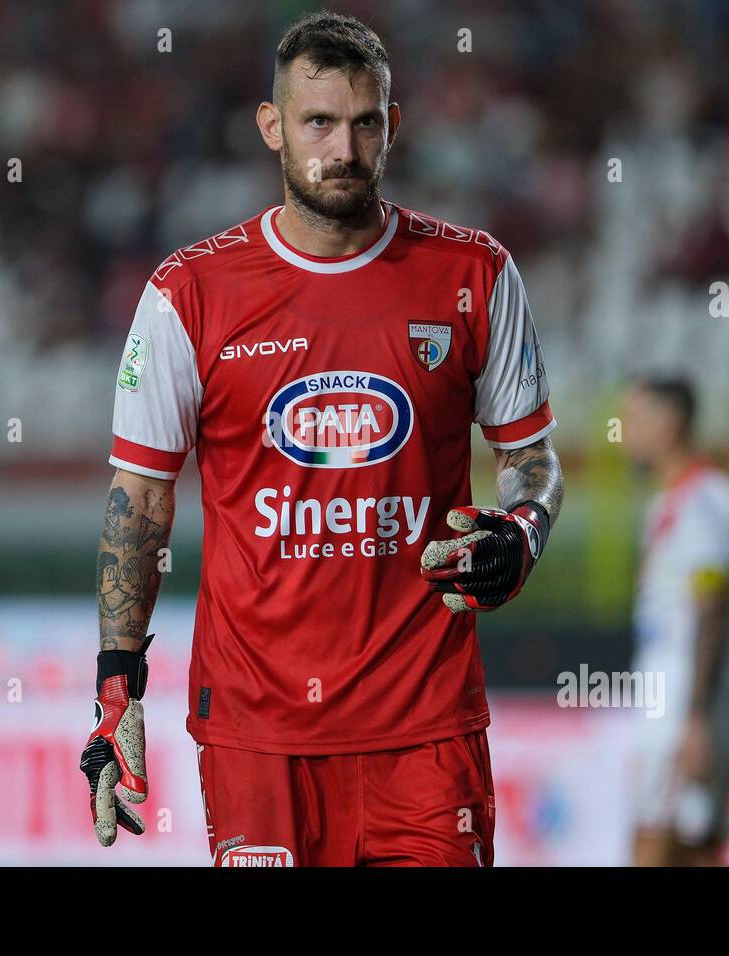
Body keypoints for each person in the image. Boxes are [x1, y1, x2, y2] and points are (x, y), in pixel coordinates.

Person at [78, 11, 564, 866]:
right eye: (318, 122)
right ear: (273, 127)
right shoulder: (188, 295)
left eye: (364, 122)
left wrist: (523, 533)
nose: (342, 148)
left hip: (425, 732)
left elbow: (532, 462)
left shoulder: (474, 275)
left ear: (392, 127)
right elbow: (140, 501)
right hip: (258, 735)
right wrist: (117, 686)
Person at [621, 377, 729, 866]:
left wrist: (696, 715)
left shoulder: (705, 501)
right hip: (681, 695)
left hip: (686, 698)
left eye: (633, 418)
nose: (623, 432)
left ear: (669, 423)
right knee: (694, 844)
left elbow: (712, 605)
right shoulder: (671, 502)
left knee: (656, 839)